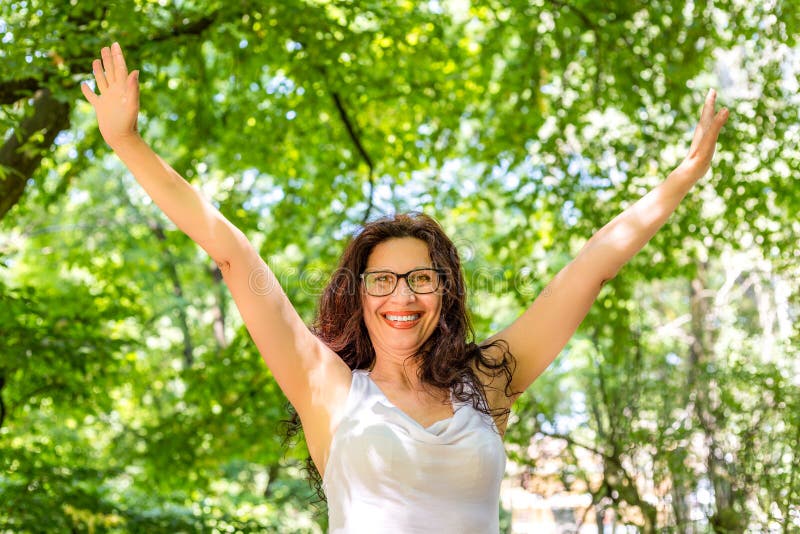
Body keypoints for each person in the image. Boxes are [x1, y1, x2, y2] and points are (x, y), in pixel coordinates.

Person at [81, 42, 728, 533]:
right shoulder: (326, 386)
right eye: (382, 280)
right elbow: (231, 253)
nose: (402, 296)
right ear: (360, 295)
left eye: (422, 278)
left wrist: (683, 176)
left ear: (443, 292)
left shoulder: (488, 382)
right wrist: (127, 141)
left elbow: (591, 270)